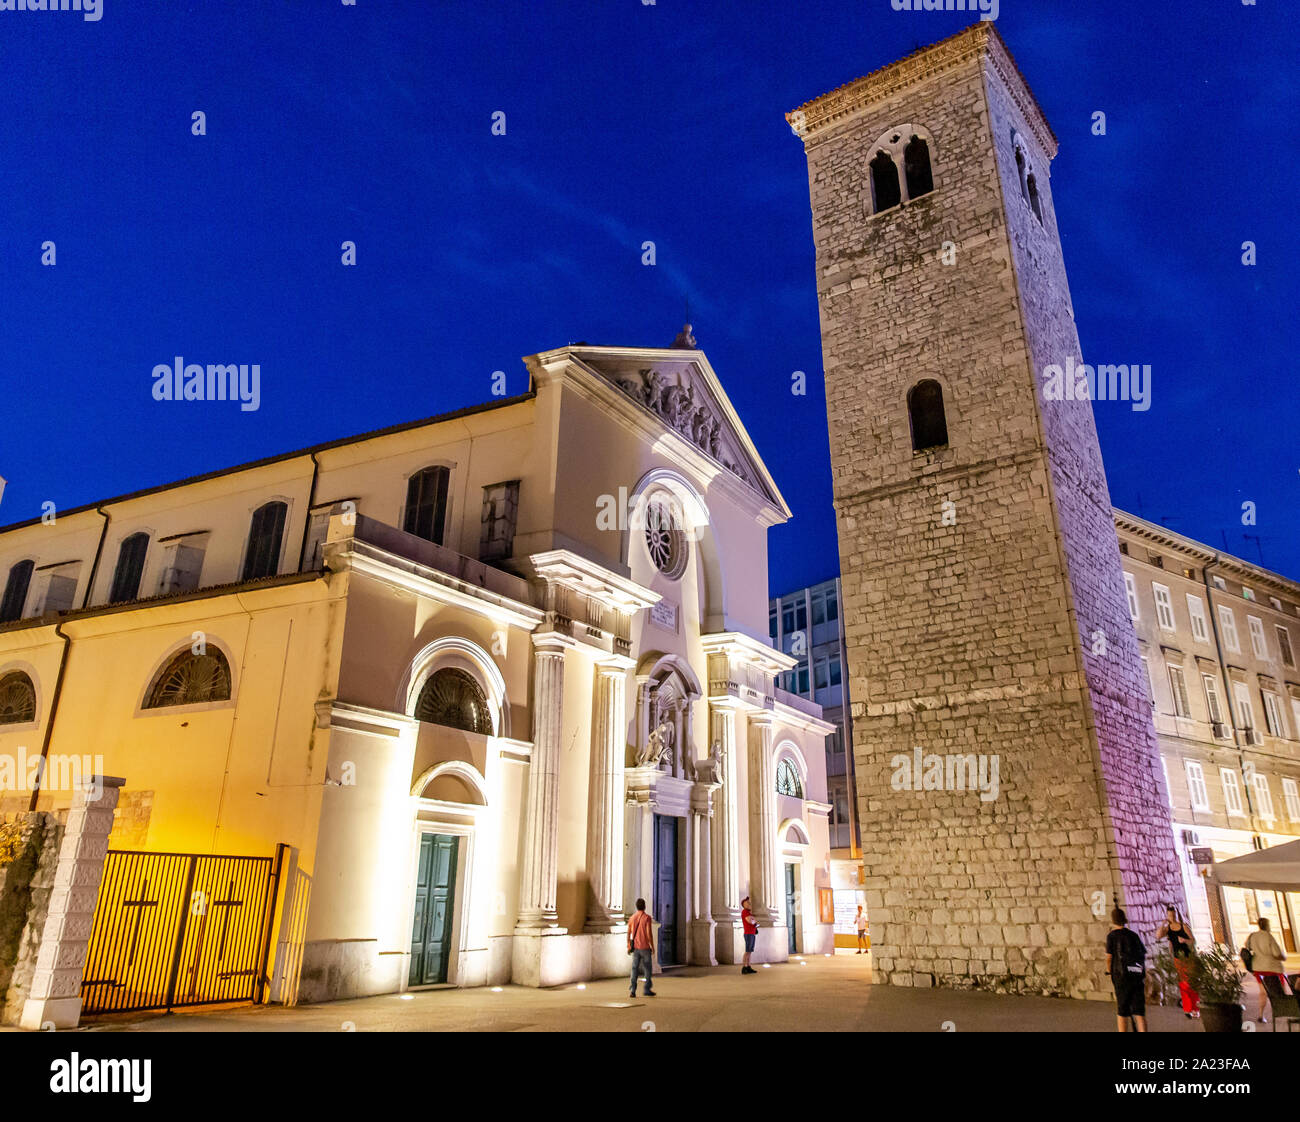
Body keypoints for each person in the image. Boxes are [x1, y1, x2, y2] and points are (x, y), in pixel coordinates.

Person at [1105, 907, 1147, 1032]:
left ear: (1113, 920)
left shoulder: (1111, 936)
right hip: (1136, 975)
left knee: (1122, 1010)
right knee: (1139, 1011)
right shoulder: (1133, 935)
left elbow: (1109, 957)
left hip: (1121, 976)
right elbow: (1142, 954)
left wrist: (1109, 970)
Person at [1155, 904, 1199, 1018]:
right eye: (1170, 915)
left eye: (1173, 914)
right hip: (1177, 959)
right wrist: (1163, 923)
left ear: (1176, 914)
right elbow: (1158, 936)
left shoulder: (1183, 926)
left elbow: (1193, 940)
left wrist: (1184, 940)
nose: (1172, 917)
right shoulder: (1168, 929)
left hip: (1188, 957)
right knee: (1183, 984)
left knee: (1191, 983)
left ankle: (1195, 1008)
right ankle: (1187, 1009)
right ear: (1167, 915)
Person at [1245, 917, 1288, 1024]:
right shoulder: (1269, 937)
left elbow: (1247, 946)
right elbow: (1277, 953)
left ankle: (1261, 1015)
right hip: (1273, 968)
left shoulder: (1253, 936)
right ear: (1267, 925)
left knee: (1263, 992)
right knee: (1281, 991)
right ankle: (1285, 1012)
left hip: (1258, 968)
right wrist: (1283, 957)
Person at [627, 898, 656, 998]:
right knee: (647, 968)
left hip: (635, 947)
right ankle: (647, 989)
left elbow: (629, 933)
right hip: (645, 947)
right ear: (644, 906)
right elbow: (649, 933)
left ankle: (632, 990)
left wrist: (628, 945)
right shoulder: (647, 918)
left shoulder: (632, 918)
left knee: (634, 968)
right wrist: (652, 946)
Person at [740, 895, 758, 975]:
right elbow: (750, 921)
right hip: (748, 933)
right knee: (747, 951)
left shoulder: (748, 912)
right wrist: (754, 921)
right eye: (747, 903)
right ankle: (744, 967)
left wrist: (754, 921)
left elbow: (753, 920)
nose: (748, 903)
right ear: (743, 905)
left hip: (752, 933)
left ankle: (748, 966)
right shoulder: (744, 912)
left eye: (749, 902)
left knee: (750, 951)